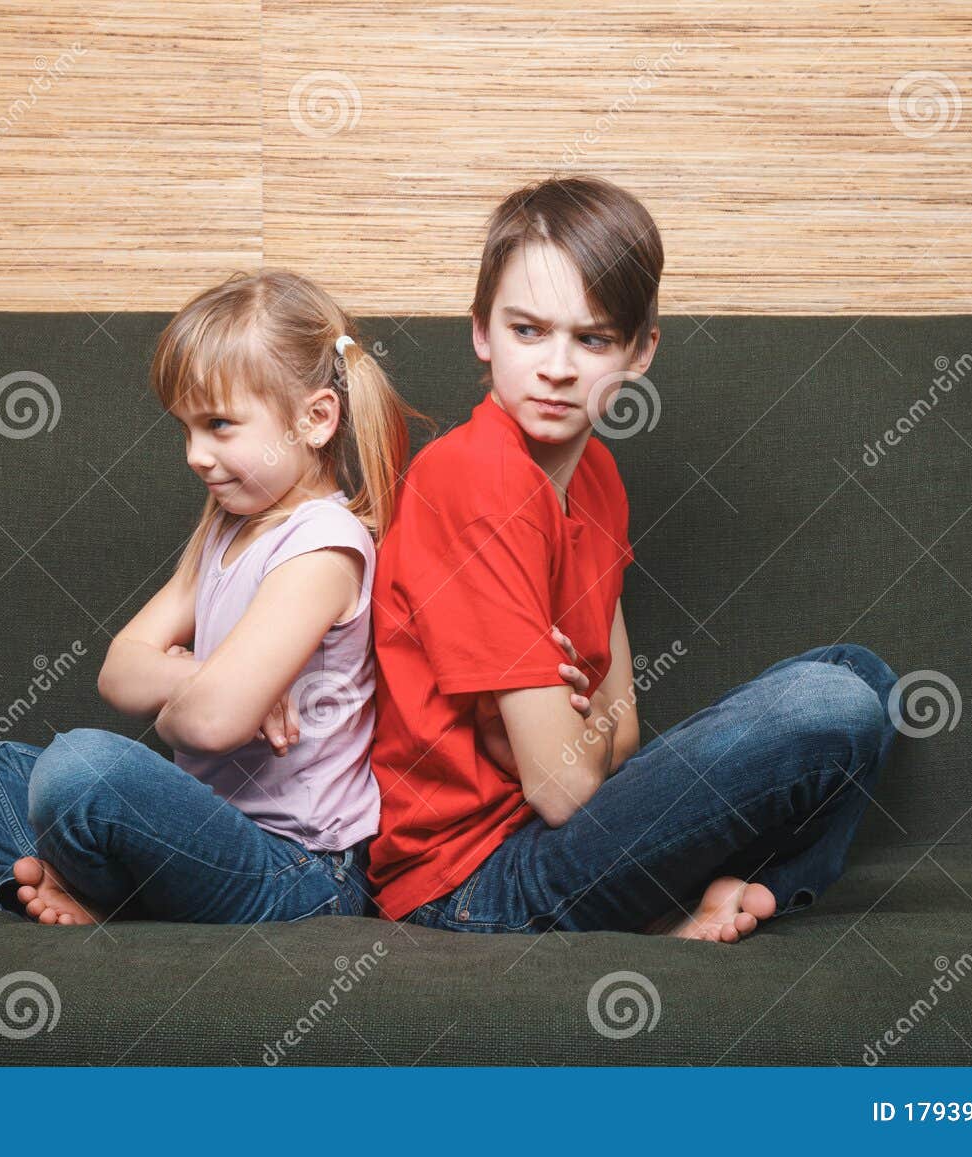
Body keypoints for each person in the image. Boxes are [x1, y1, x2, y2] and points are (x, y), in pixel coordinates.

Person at [367, 176, 902, 941]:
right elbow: (562, 787)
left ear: (640, 351)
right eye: (527, 331)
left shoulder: (598, 480)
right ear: (481, 331)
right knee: (830, 706)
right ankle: (703, 900)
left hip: (562, 831)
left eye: (592, 339)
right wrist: (564, 732)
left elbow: (621, 742)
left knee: (864, 675)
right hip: (473, 882)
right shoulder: (473, 476)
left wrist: (557, 720)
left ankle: (729, 892)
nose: (556, 367)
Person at [0, 269, 426, 925]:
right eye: (185, 429)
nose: (196, 456)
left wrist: (215, 695)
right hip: (206, 830)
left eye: (219, 425)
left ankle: (85, 887)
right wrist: (210, 674)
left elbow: (207, 724)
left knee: (82, 768)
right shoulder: (226, 527)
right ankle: (86, 889)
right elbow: (118, 670)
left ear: (316, 419)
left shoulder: (323, 543)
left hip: (301, 871)